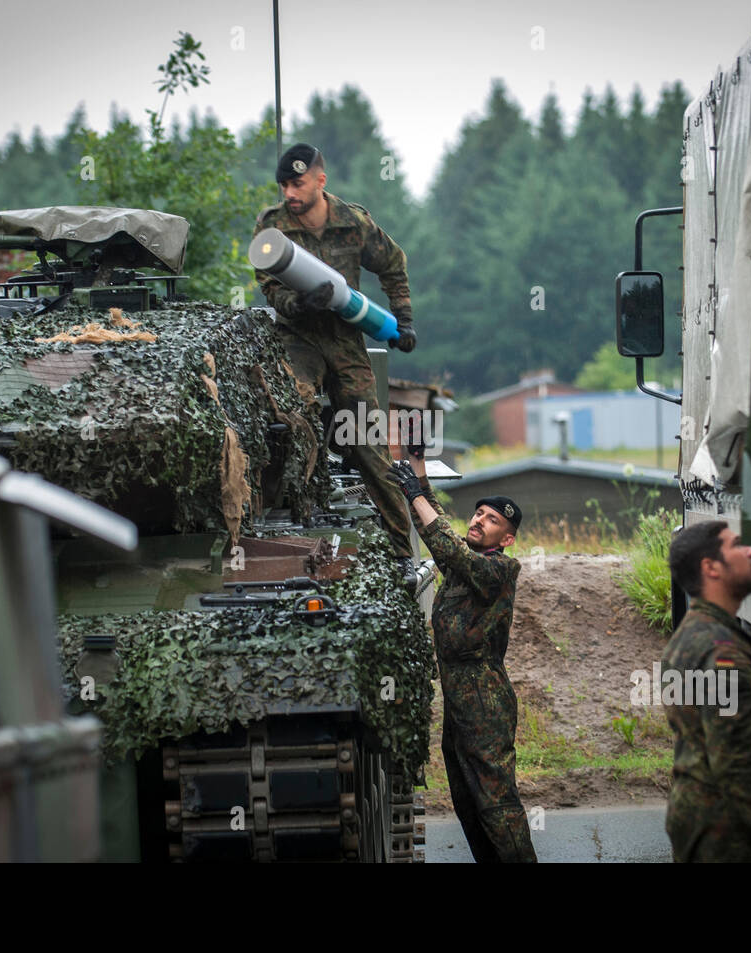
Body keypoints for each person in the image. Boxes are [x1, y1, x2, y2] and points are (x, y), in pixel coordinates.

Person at [252, 144, 416, 576]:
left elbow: (393, 263)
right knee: (288, 418)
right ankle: (284, 535)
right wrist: (302, 302)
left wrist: (404, 319)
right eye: (284, 184)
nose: (289, 192)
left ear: (320, 181)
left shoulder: (352, 222)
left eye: (298, 183)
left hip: (346, 339)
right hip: (297, 338)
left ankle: (402, 550)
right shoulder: (272, 228)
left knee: (369, 441)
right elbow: (271, 290)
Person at [389, 455, 537, 862]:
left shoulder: (498, 570)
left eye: (491, 520)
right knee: (466, 798)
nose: (478, 521)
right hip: (461, 701)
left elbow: (452, 550)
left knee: (496, 801)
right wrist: (418, 468)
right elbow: (440, 535)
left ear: (506, 539)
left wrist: (415, 493)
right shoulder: (464, 567)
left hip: (484, 699)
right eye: (478, 513)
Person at [662, 520, 751, 862]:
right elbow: (735, 761)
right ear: (711, 568)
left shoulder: (696, 635)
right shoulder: (719, 651)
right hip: (727, 831)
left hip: (706, 820)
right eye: (737, 545)